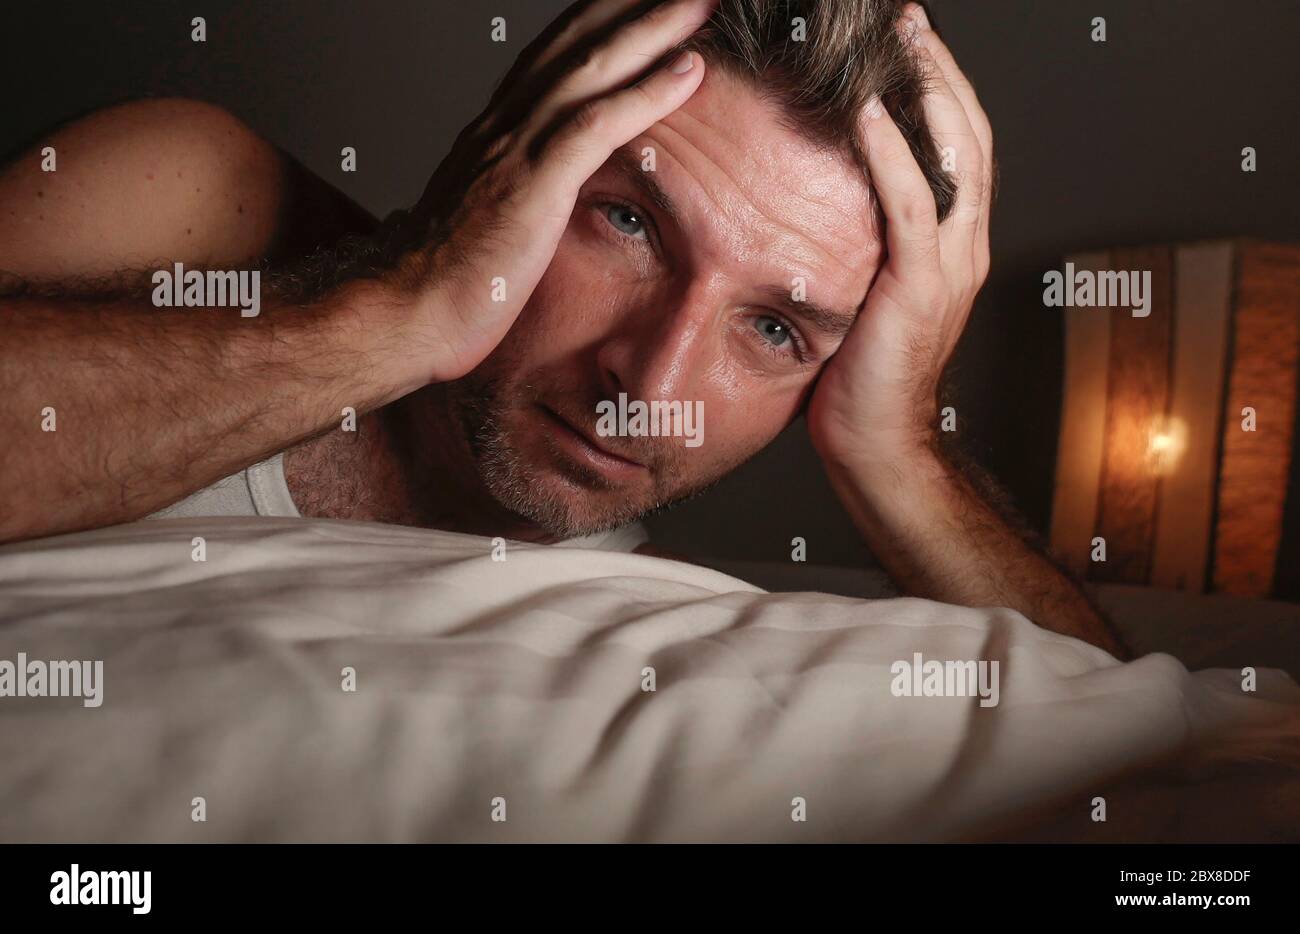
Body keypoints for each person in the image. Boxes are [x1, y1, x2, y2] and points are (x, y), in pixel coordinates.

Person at [0, 0, 1127, 656]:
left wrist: (897, 452)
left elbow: (1123, 741)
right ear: (508, 154)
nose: (651, 378)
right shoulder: (193, 195)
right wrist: (401, 316)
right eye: (628, 222)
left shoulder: (631, 643)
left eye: (777, 330)